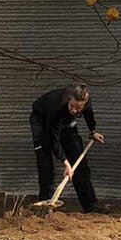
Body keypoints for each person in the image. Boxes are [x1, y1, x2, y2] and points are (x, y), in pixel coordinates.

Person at [30, 83, 108, 214]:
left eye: (78, 108)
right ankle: (45, 207)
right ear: (68, 100)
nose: (74, 110)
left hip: (66, 123)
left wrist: (93, 131)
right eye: (72, 106)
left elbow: (88, 113)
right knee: (46, 166)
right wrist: (66, 163)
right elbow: (53, 139)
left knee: (79, 163)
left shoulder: (86, 104)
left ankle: (90, 205)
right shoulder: (57, 108)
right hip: (42, 121)